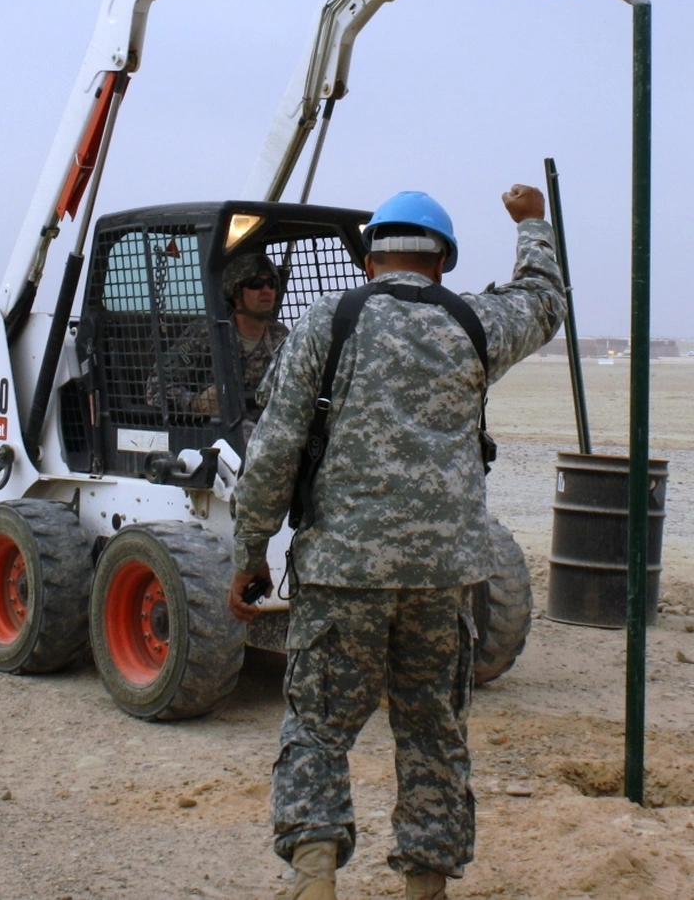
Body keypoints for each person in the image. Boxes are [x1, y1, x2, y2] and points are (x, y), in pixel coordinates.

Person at [227, 186, 566, 900]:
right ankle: (425, 883)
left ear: (368, 256)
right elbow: (543, 300)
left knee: (318, 726)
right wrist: (532, 222)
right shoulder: (474, 321)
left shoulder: (329, 321)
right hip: (443, 578)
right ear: (442, 258)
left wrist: (250, 552)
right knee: (432, 728)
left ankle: (315, 875)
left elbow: (275, 449)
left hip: (342, 570)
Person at [146, 251, 289, 426]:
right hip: (218, 436)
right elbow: (155, 386)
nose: (267, 290)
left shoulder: (282, 337)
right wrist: (195, 403)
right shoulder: (206, 334)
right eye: (256, 283)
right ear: (236, 295)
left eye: (272, 283)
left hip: (270, 431)